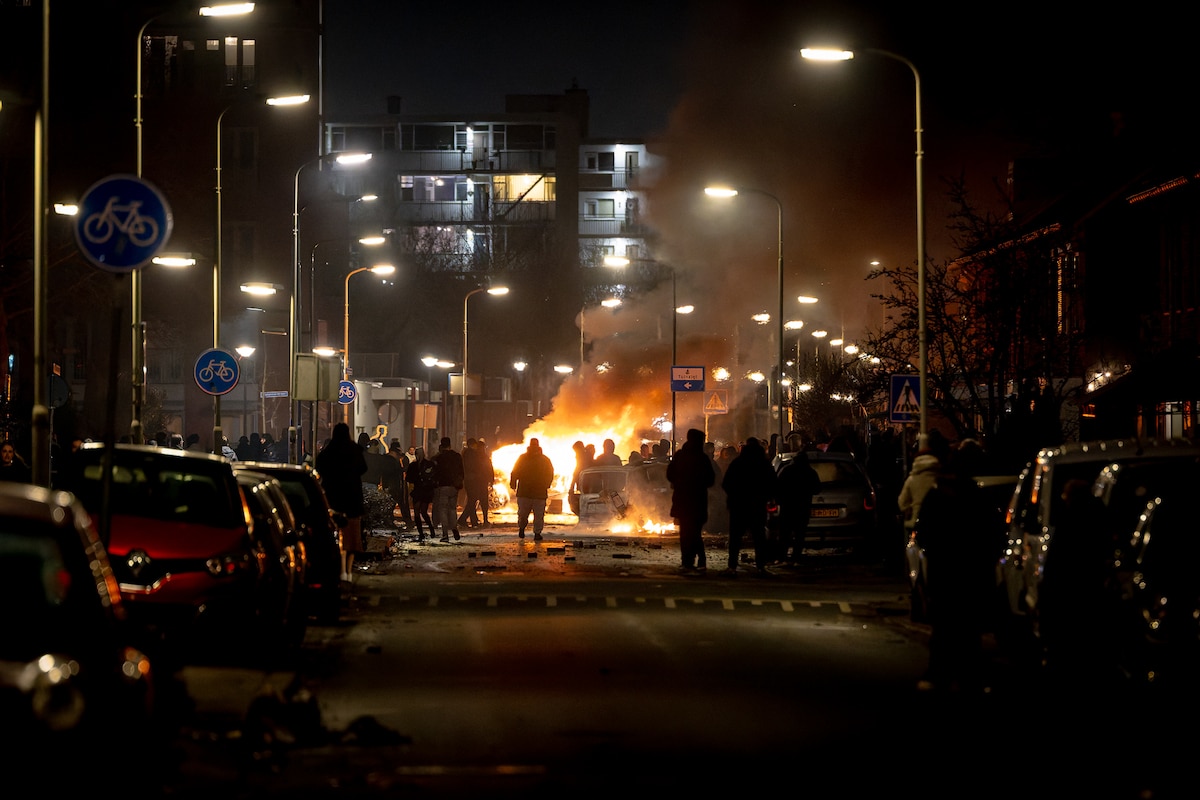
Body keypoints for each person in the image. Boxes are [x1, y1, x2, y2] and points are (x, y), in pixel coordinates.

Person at [914, 447, 997, 692]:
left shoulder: (936, 497)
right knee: (968, 629)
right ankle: (970, 676)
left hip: (945, 572)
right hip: (971, 574)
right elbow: (992, 536)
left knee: (944, 626)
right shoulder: (978, 499)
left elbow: (924, 534)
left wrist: (934, 555)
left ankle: (939, 673)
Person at [315, 422, 367, 582]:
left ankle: (340, 569)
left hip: (333, 500)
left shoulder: (327, 453)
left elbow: (319, 469)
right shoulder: (355, 450)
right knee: (352, 539)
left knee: (337, 536)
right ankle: (348, 572)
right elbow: (363, 469)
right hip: (352, 500)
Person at [720, 436, 777, 577]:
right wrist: (766, 497)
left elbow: (726, 483)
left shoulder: (738, 463)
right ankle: (760, 567)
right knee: (759, 537)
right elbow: (773, 484)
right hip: (757, 506)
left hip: (738, 506)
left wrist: (734, 496)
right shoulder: (764, 464)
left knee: (735, 537)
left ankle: (732, 566)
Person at [666, 428, 715, 574]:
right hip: (697, 502)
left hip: (683, 502)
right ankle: (699, 560)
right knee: (694, 533)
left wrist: (679, 483)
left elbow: (670, 475)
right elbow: (710, 480)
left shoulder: (680, 456)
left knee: (686, 534)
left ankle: (687, 562)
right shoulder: (703, 458)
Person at [775, 436, 821, 565]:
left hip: (787, 507)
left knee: (784, 534)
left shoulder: (786, 470)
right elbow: (817, 488)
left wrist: (779, 500)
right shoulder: (810, 472)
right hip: (803, 507)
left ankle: (782, 557)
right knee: (799, 535)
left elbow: (777, 487)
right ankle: (796, 557)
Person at [509, 437, 555, 541]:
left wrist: (513, 484)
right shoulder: (543, 459)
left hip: (528, 492)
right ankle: (527, 530)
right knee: (530, 515)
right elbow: (515, 471)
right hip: (534, 492)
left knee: (528, 514)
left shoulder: (529, 458)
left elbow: (549, 474)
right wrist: (546, 485)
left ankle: (533, 532)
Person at [431, 436, 464, 542]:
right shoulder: (457, 456)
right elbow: (461, 471)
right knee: (452, 509)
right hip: (454, 487)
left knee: (443, 510)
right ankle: (454, 527)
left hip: (443, 486)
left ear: (441, 445)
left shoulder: (439, 458)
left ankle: (445, 534)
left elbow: (435, 472)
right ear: (450, 445)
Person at [457, 438, 491, 529]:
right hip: (476, 481)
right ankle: (464, 520)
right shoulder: (472, 455)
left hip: (473, 481)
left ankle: (473, 520)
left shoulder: (468, 454)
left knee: (473, 501)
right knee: (474, 501)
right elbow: (483, 468)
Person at [405, 446, 437, 542]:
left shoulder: (428, 464)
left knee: (422, 511)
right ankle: (422, 532)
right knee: (418, 512)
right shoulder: (415, 466)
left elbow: (433, 476)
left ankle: (429, 529)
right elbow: (409, 478)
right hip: (419, 490)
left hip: (424, 490)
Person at [386, 442, 413, 530]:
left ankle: (406, 521)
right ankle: (406, 521)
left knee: (399, 504)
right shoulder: (394, 460)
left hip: (397, 484)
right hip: (396, 484)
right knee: (397, 504)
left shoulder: (399, 459)